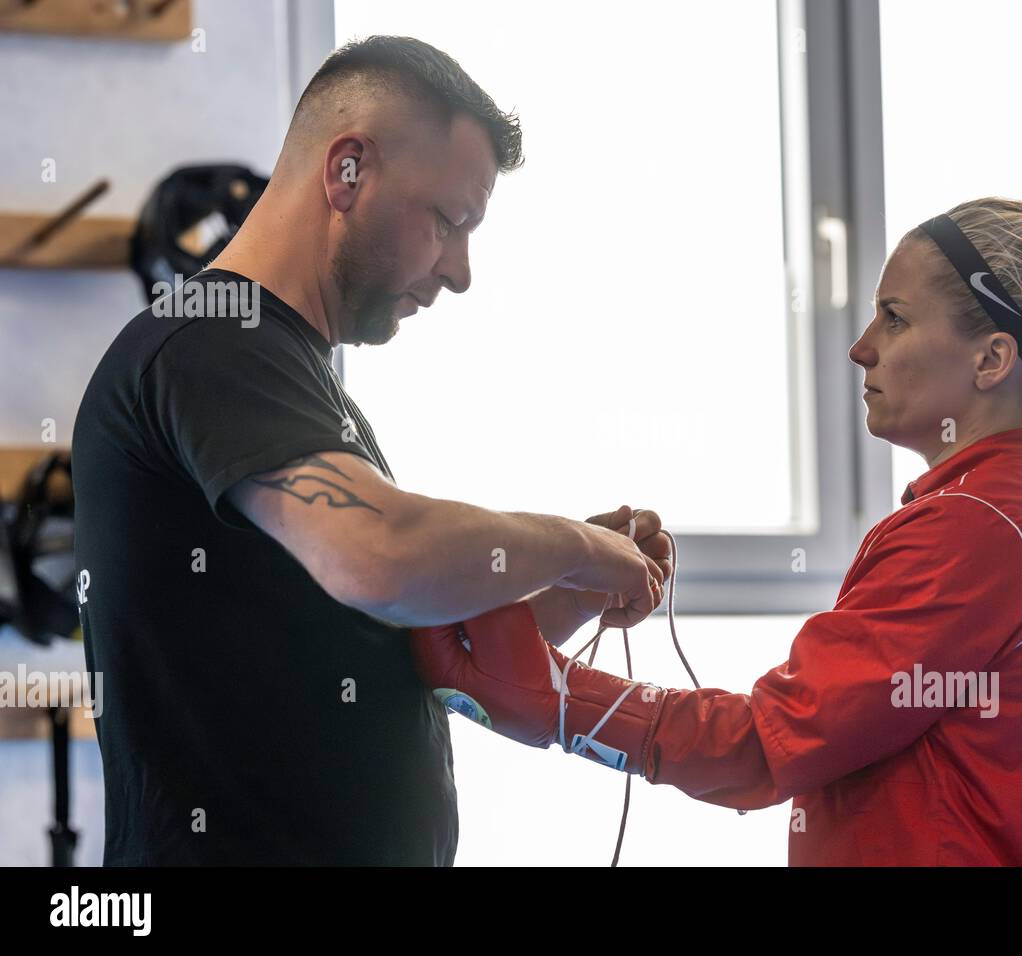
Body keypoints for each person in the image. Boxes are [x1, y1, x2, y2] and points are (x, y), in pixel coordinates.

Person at [411, 196, 1022, 866]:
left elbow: (766, 747)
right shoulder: (1015, 511)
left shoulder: (979, 529)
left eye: (894, 318)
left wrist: (558, 699)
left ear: (992, 359)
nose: (863, 347)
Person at [71, 35, 671, 866]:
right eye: (448, 222)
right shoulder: (213, 342)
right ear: (346, 169)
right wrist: (572, 543)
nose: (460, 272)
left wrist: (564, 589)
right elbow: (382, 558)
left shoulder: (290, 376)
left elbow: (387, 655)